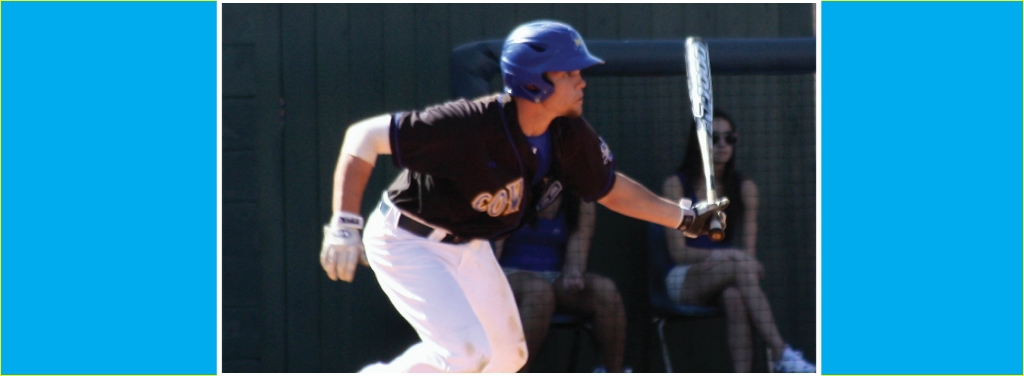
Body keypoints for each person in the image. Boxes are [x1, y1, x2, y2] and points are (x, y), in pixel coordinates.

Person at [319, 20, 728, 373]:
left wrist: (685, 216)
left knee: (508, 357)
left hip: (468, 245)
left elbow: (611, 189)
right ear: (535, 81)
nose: (581, 81)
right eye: (570, 74)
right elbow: (363, 138)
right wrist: (344, 224)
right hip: (407, 240)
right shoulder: (470, 123)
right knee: (468, 356)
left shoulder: (568, 133)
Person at [660, 109, 815, 373]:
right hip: (682, 277)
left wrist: (733, 258)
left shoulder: (744, 188)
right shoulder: (676, 185)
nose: (722, 145)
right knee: (739, 267)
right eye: (714, 138)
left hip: (727, 271)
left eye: (729, 138)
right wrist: (723, 256)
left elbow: (749, 257)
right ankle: (780, 354)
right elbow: (678, 252)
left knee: (735, 296)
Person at [494, 192, 627, 372]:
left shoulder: (581, 198)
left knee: (605, 291)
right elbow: (492, 253)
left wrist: (573, 273)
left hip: (555, 278)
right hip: (506, 277)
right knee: (539, 293)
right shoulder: (510, 189)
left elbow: (577, 252)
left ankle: (614, 371)